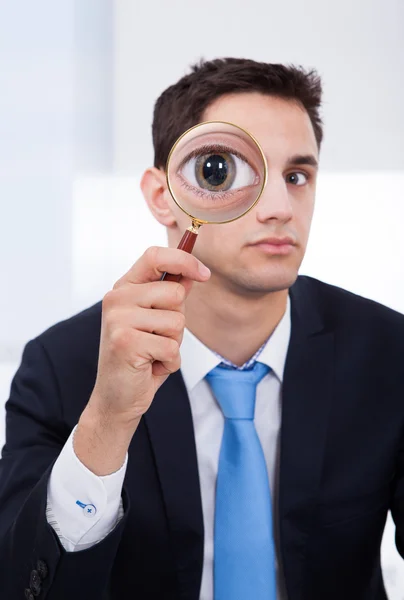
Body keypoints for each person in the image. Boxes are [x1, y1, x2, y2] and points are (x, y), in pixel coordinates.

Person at [1, 57, 404, 600]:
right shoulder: (60, 367)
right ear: (163, 195)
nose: (281, 208)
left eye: (297, 176)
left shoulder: (387, 352)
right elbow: (22, 580)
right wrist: (107, 422)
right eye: (221, 169)